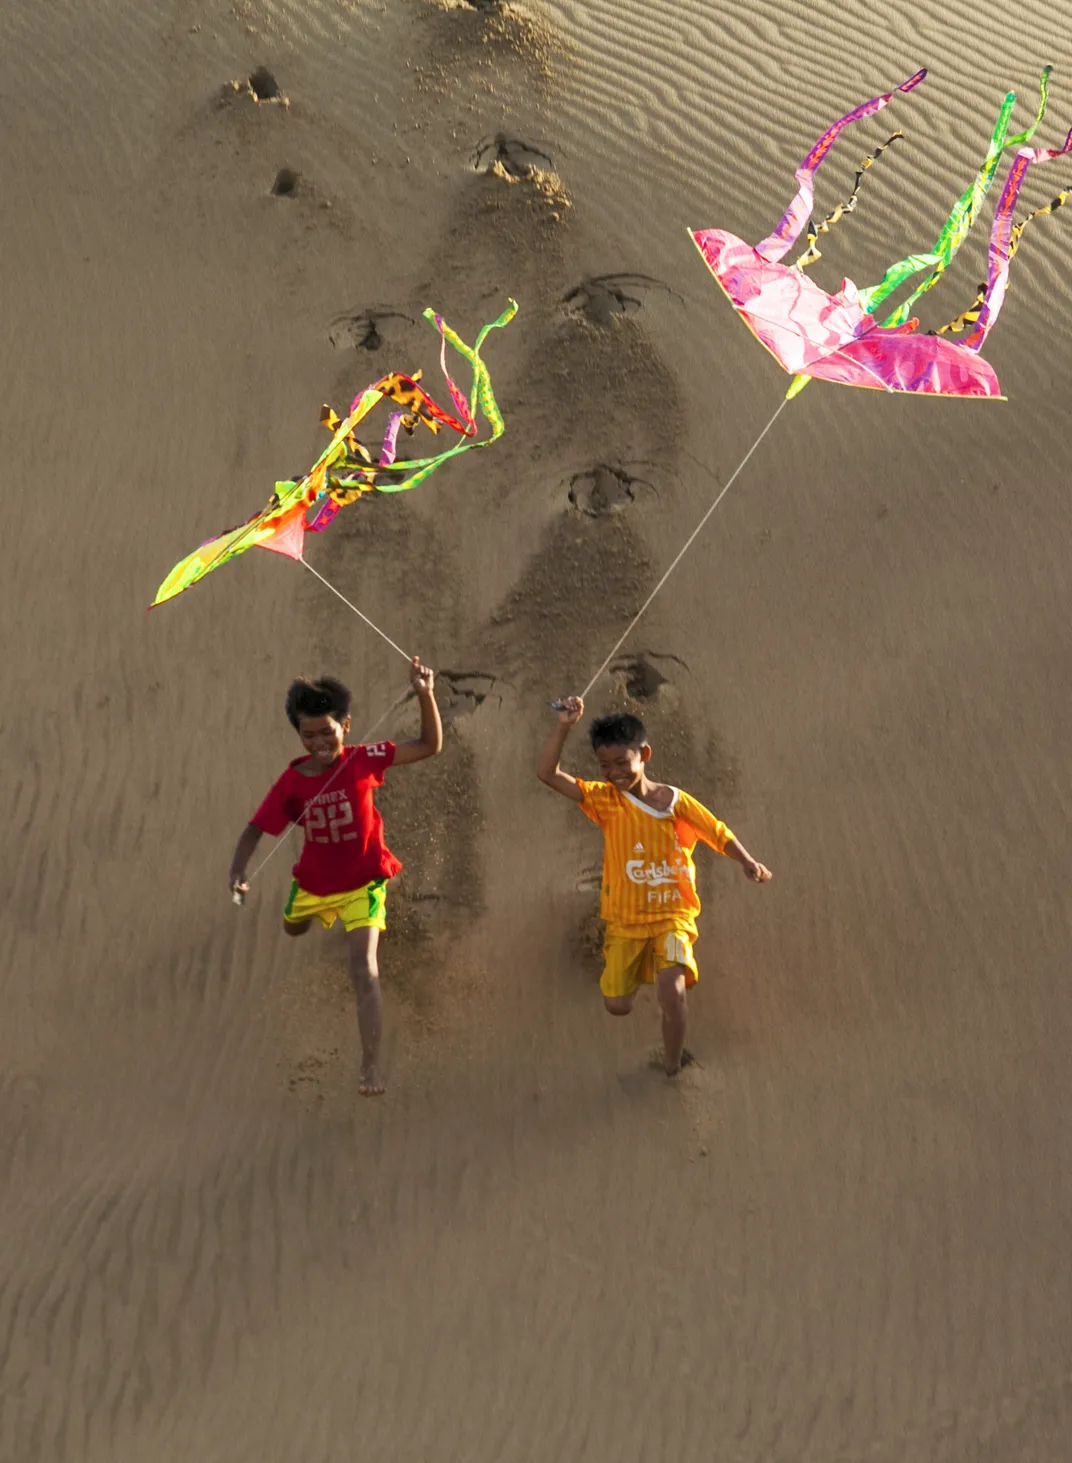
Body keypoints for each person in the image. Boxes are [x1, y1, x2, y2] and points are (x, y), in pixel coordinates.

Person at [228, 656, 443, 1096]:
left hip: (365, 883)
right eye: (309, 735)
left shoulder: (365, 760)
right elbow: (255, 829)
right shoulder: (292, 782)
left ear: (347, 724)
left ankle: (369, 1067)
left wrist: (425, 693)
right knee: (292, 927)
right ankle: (305, 916)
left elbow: (428, 744)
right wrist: (238, 871)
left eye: (328, 731)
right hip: (313, 884)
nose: (320, 742)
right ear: (299, 735)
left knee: (363, 970)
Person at [537, 697, 771, 1075]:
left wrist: (747, 861)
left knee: (674, 994)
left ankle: (672, 1064)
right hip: (625, 923)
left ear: (644, 754)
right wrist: (564, 725)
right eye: (604, 765)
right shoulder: (604, 800)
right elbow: (547, 774)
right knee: (617, 1005)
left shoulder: (674, 801)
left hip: (672, 917)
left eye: (621, 763)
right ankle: (638, 967)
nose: (613, 773)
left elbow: (717, 832)